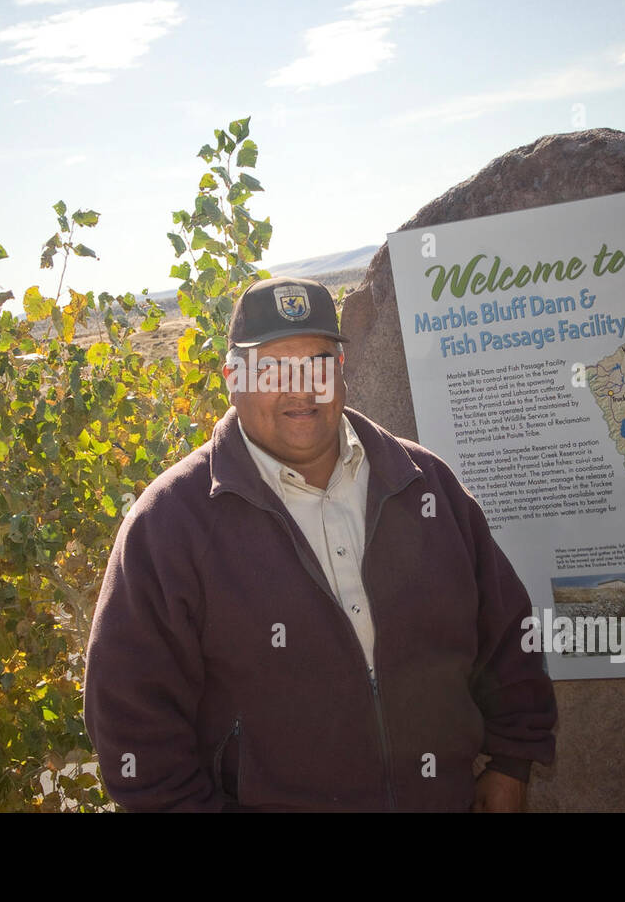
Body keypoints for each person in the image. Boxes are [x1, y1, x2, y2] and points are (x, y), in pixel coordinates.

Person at [83, 276, 556, 811]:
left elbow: (508, 633)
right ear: (231, 378)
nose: (300, 388)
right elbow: (132, 727)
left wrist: (512, 762)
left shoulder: (424, 484)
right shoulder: (169, 523)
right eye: (272, 368)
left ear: (341, 372)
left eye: (317, 363)